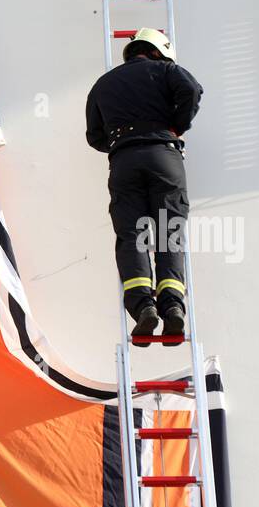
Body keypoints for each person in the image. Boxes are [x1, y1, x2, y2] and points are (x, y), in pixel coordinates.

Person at [86, 27, 203, 345]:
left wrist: (122, 140)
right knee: (169, 233)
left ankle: (143, 307)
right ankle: (173, 306)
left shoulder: (103, 84)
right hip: (164, 157)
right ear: (157, 52)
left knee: (131, 236)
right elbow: (191, 91)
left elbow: (95, 136)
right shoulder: (167, 70)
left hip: (123, 162)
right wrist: (176, 125)